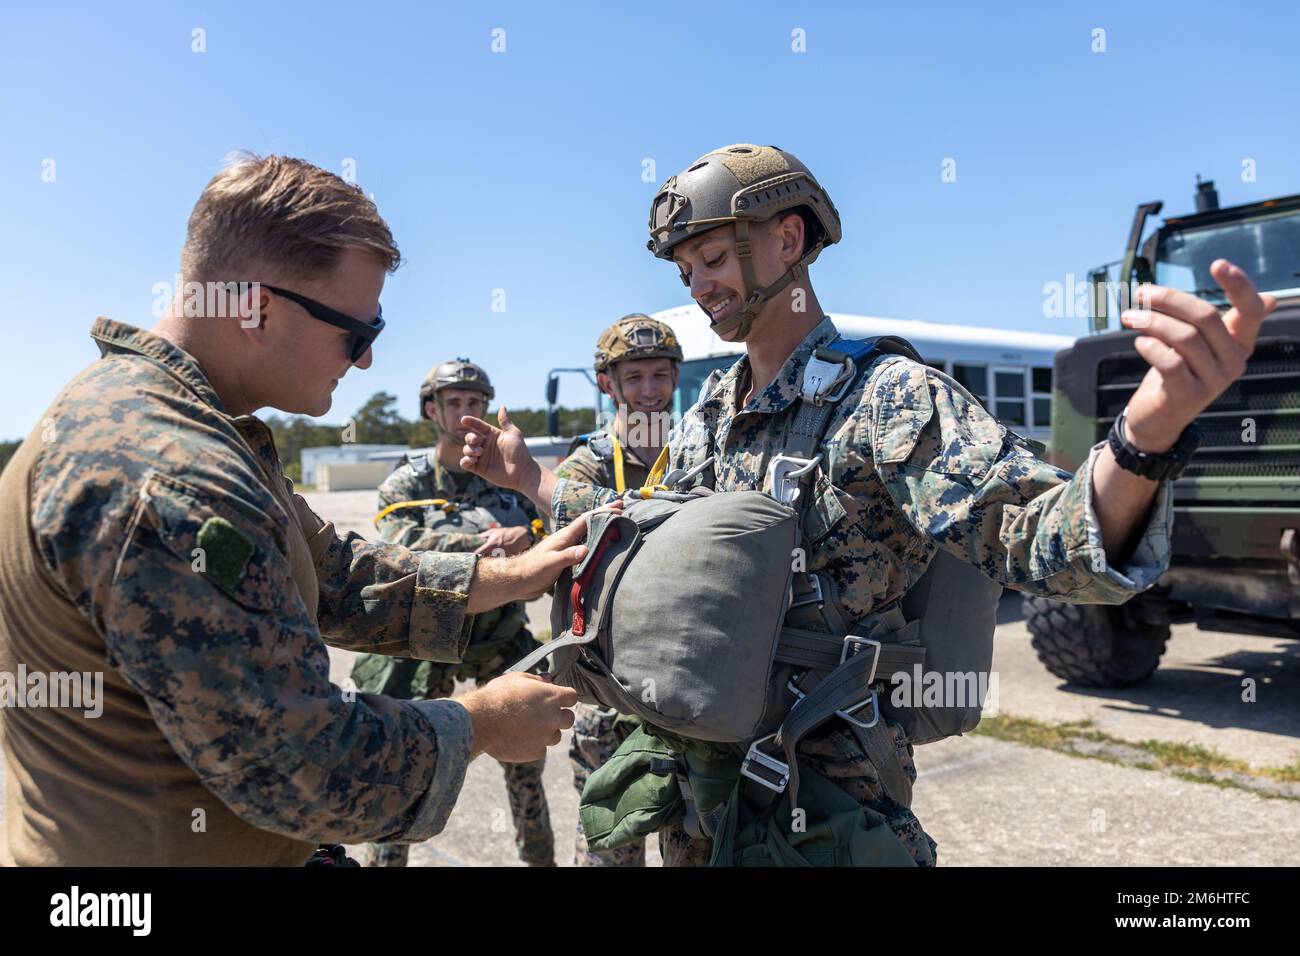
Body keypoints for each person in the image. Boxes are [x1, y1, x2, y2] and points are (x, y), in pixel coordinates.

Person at [459, 144, 1275, 866]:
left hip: (829, 803)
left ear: (788, 239)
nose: (700, 285)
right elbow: (648, 541)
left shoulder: (886, 398)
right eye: (686, 271)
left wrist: (1147, 431)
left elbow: (1043, 542)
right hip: (705, 800)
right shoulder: (708, 416)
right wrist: (534, 484)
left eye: (712, 257)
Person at [0, 154, 592, 866]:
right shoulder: (173, 475)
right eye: (358, 333)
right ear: (254, 307)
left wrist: (516, 574)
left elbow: (336, 574)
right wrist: (482, 723)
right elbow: (304, 769)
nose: (368, 361)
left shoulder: (189, 426)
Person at [352, 358, 554, 867]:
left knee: (528, 754)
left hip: (499, 627)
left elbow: (547, 549)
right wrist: (496, 548)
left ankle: (539, 860)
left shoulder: (509, 475)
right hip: (428, 632)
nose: (466, 413)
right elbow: (402, 554)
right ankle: (387, 860)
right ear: (432, 410)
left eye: (475, 403)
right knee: (401, 754)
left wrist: (527, 539)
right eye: (455, 403)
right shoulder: (407, 483)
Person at [555, 314, 681, 866]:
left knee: (694, 841)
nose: (650, 391)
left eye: (660, 375)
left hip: (683, 681)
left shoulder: (697, 451)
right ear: (608, 384)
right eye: (635, 379)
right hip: (609, 683)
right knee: (611, 847)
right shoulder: (583, 466)